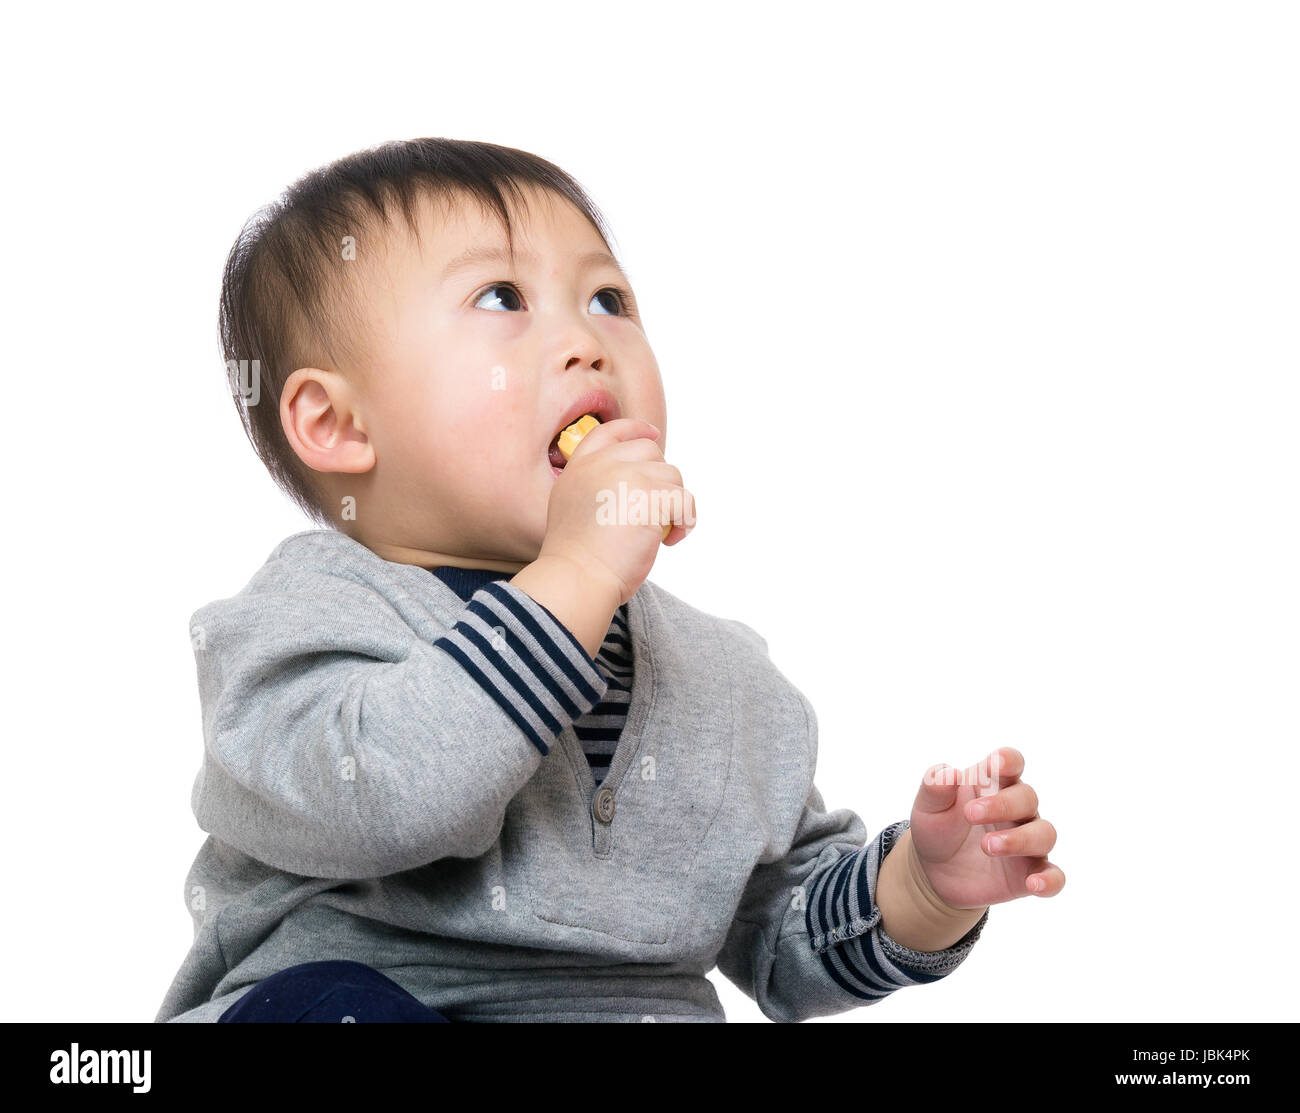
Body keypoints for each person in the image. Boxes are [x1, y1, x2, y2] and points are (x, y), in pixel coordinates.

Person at [158, 137, 1064, 1023]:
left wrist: (922, 888)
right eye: (503, 296)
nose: (586, 343)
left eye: (608, 299)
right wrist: (578, 571)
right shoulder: (302, 620)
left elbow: (782, 944)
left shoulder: (727, 678)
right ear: (338, 422)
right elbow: (390, 796)